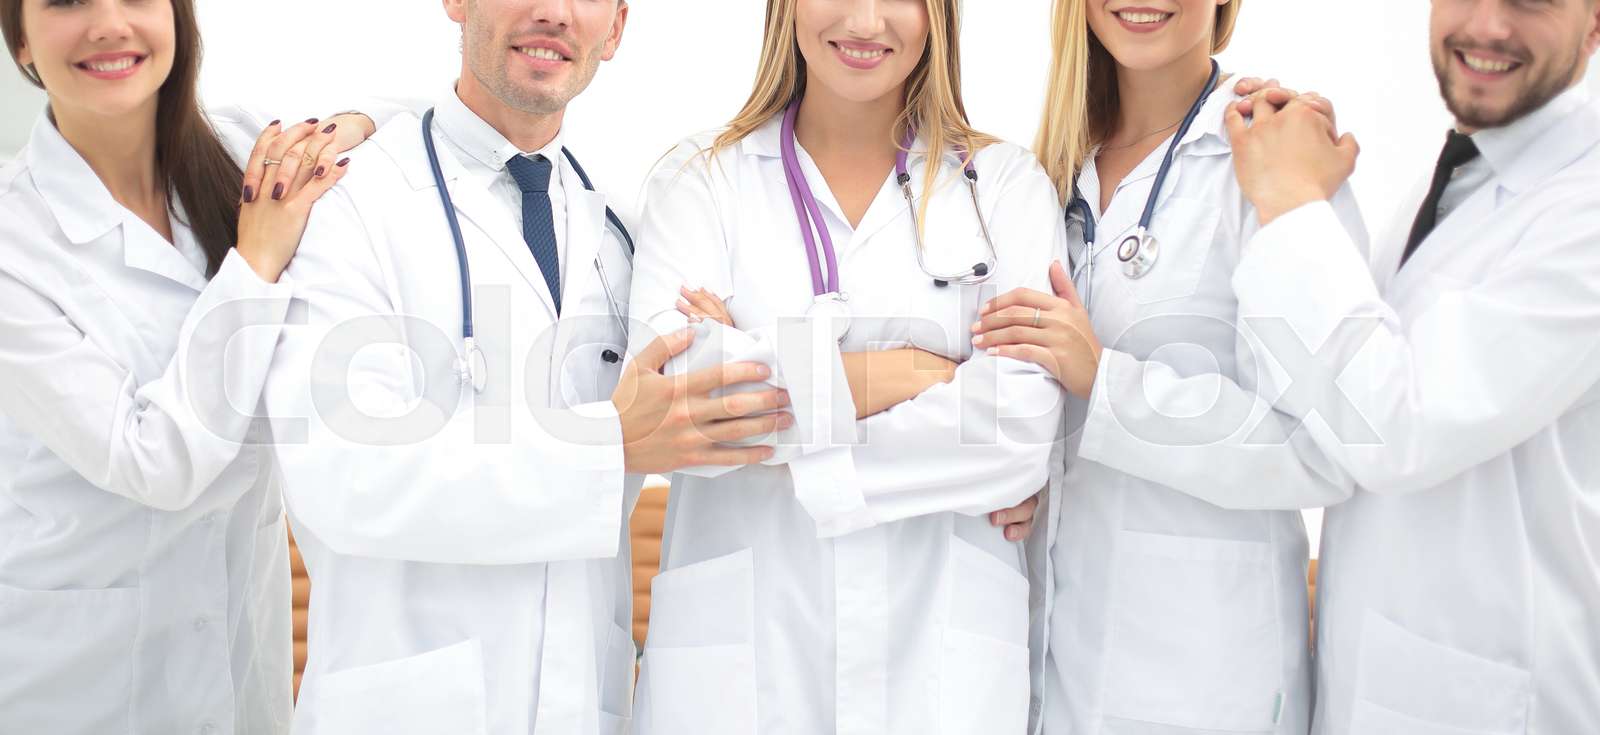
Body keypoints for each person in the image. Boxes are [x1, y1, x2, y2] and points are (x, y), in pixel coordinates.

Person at [257, 1, 788, 733]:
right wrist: (607, 446)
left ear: (617, 28)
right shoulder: (353, 201)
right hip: (407, 706)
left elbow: (730, 413)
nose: (552, 12)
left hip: (581, 704)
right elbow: (344, 474)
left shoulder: (620, 235)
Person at [626, 0, 1064, 732]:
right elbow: (676, 400)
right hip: (745, 676)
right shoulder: (700, 177)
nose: (865, 21)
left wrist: (761, 373)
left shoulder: (1005, 185)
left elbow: (1014, 428)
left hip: (940, 670)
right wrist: (917, 374)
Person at [971, 1, 1367, 732]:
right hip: (1052, 664)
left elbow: (1325, 451)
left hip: (1207, 679)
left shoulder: (1273, 150)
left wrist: (1110, 382)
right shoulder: (1040, 175)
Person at [0, 0, 387, 732]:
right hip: (72, 685)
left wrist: (349, 125)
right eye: (67, 1)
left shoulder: (243, 149)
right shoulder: (14, 239)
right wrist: (258, 260)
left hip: (243, 668)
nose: (109, 23)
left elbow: (414, 120)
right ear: (20, 37)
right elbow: (156, 461)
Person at [1222, 0, 1600, 731]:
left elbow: (1398, 427)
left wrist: (1293, 202)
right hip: (1381, 679)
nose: (1488, 26)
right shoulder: (1455, 184)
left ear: (1595, 22)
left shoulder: (1585, 217)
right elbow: (1340, 405)